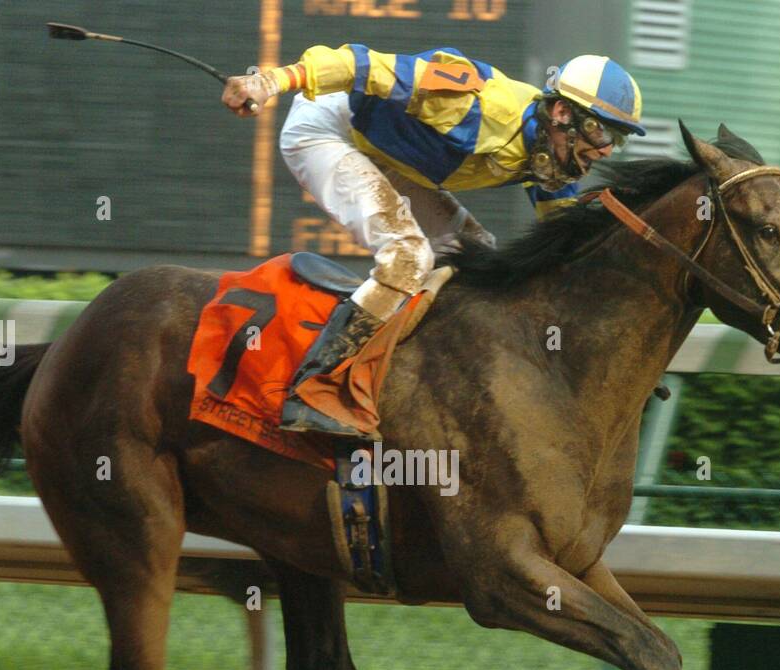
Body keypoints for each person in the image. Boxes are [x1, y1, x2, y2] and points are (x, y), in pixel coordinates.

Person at [222, 46, 646, 436]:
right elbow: (358, 64)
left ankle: (427, 378)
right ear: (560, 113)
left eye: (617, 138)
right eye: (600, 131)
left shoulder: (549, 157)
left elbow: (565, 251)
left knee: (477, 253)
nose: (607, 150)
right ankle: (315, 386)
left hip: (386, 155)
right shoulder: (477, 104)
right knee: (408, 255)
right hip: (327, 132)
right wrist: (270, 81)